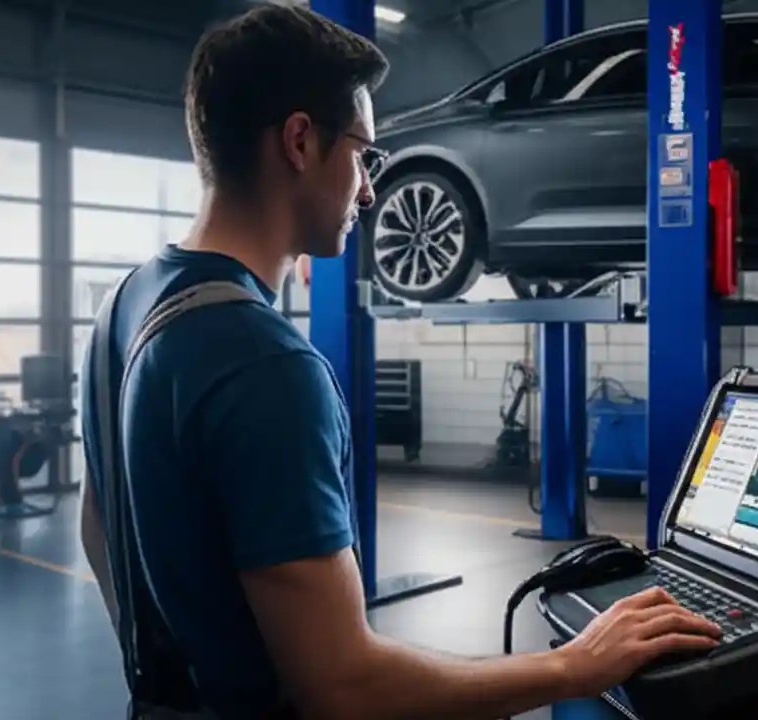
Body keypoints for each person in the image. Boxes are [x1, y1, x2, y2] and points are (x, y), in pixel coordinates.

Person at [78, 5, 723, 719]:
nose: (369, 189)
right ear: (299, 141)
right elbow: (346, 687)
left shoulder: (124, 305)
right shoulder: (264, 364)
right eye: (364, 153)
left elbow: (98, 523)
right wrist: (573, 666)